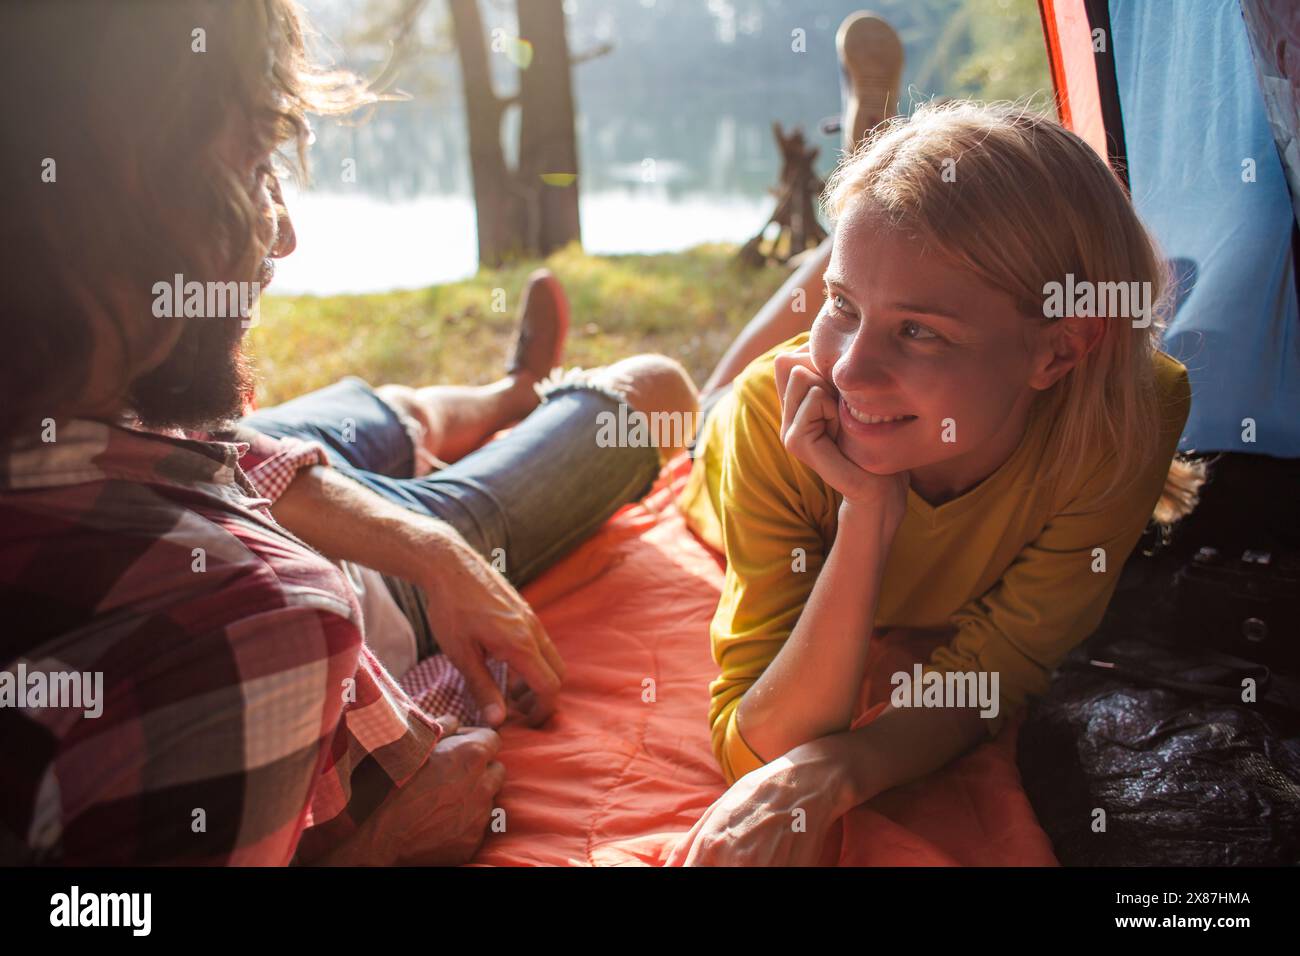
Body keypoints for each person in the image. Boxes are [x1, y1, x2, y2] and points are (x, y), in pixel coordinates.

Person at [0, 0, 695, 865]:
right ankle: (511, 409)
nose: (284, 235)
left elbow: (210, 446)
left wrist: (432, 551)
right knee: (654, 390)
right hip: (358, 578)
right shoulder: (247, 629)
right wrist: (388, 848)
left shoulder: (62, 392)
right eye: (256, 163)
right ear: (136, 182)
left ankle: (503, 393)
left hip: (242, 461)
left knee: (366, 410)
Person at [668, 100, 1206, 865]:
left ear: (1057, 353)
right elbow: (758, 749)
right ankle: (846, 192)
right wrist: (867, 515)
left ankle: (856, 181)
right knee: (695, 398)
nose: (850, 368)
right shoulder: (775, 422)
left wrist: (844, 769)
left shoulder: (1133, 408)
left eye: (919, 330)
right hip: (721, 436)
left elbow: (1002, 664)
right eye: (842, 304)